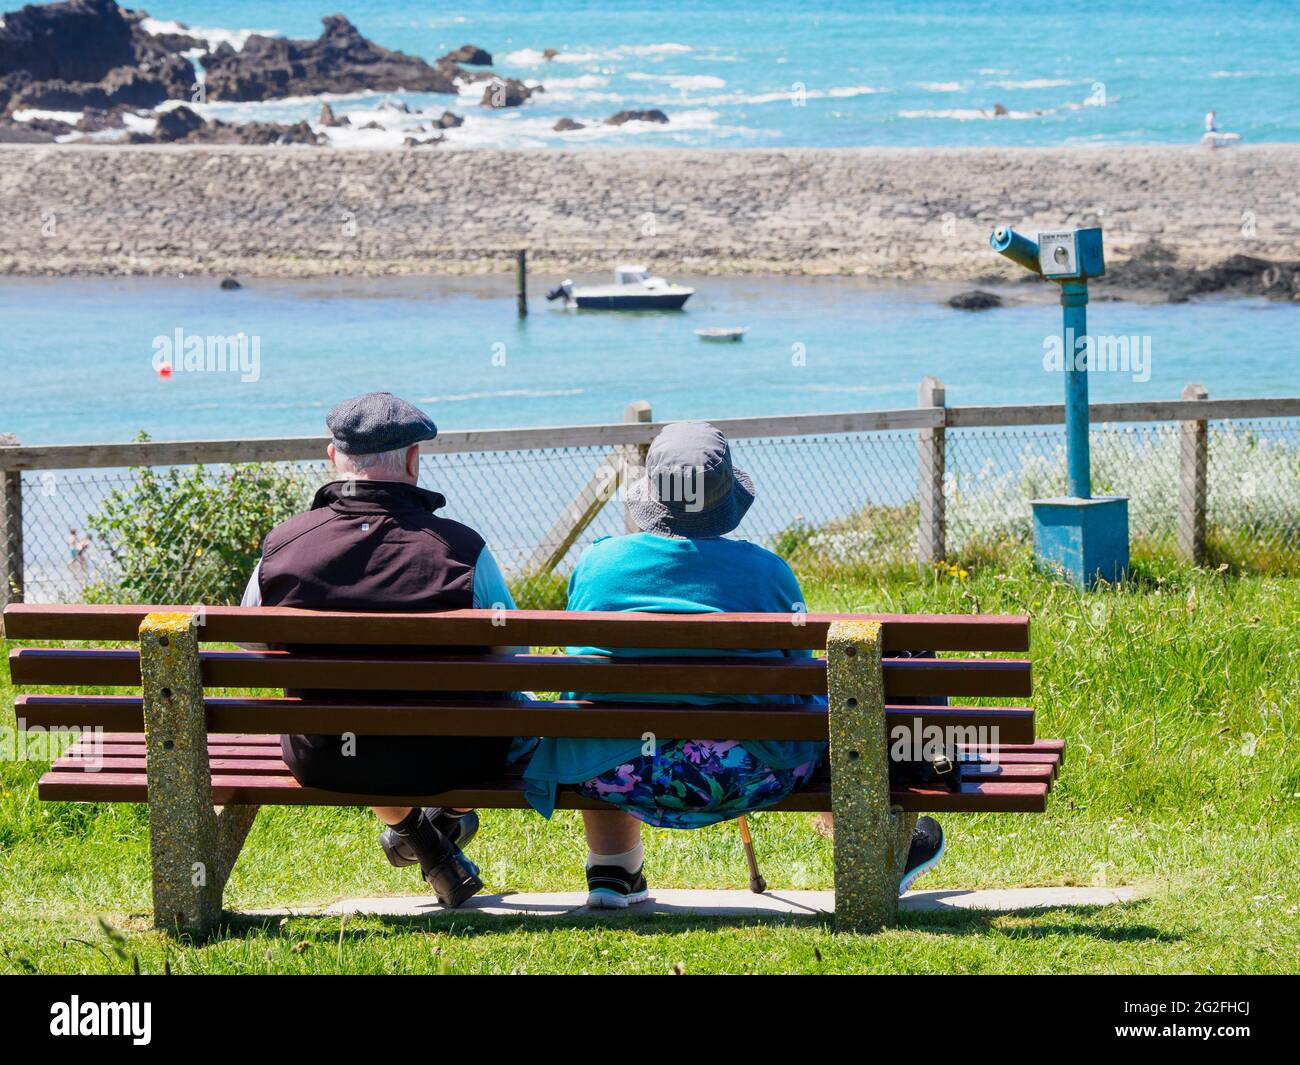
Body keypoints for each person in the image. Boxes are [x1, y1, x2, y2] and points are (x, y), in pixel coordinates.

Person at [523, 421, 943, 907]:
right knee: (833, 707)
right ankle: (878, 851)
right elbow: (796, 674)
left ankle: (613, 872)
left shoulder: (596, 565)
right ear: (723, 497)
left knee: (603, 720)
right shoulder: (767, 572)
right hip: (744, 772)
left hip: (615, 772)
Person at [240, 392, 528, 908]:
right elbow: (513, 654)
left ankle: (424, 840)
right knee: (509, 710)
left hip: (325, 757)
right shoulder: (463, 550)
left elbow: (251, 637)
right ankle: (435, 825)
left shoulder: (283, 546)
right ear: (414, 460)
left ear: (334, 458)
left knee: (362, 725)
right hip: (456, 756)